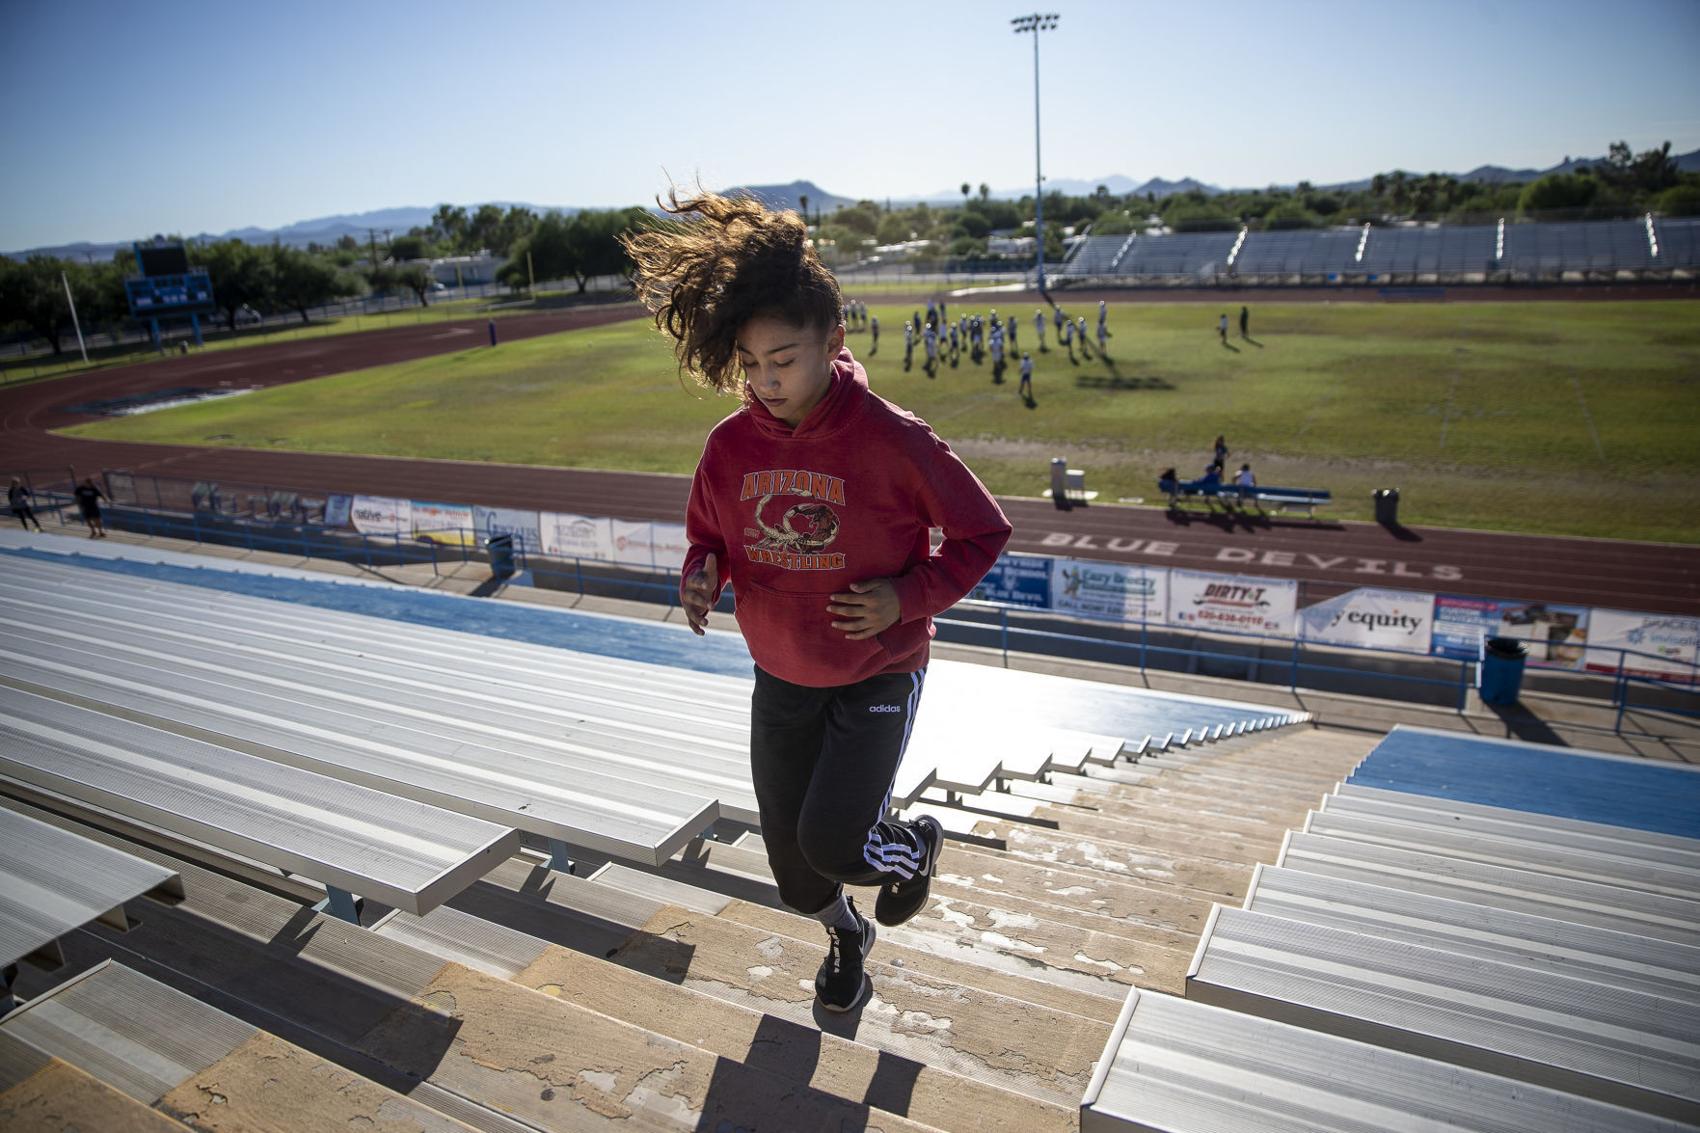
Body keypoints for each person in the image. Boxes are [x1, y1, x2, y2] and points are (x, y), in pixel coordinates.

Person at [623, 189, 1012, 1015]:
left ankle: (913, 845)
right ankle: (846, 934)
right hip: (782, 679)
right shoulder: (727, 446)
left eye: (785, 360)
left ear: (834, 342)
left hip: (878, 671)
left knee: (838, 839)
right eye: (751, 364)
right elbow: (710, 536)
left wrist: (908, 596)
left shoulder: (895, 437)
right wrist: (701, 573)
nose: (765, 382)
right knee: (797, 874)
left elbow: (983, 534)